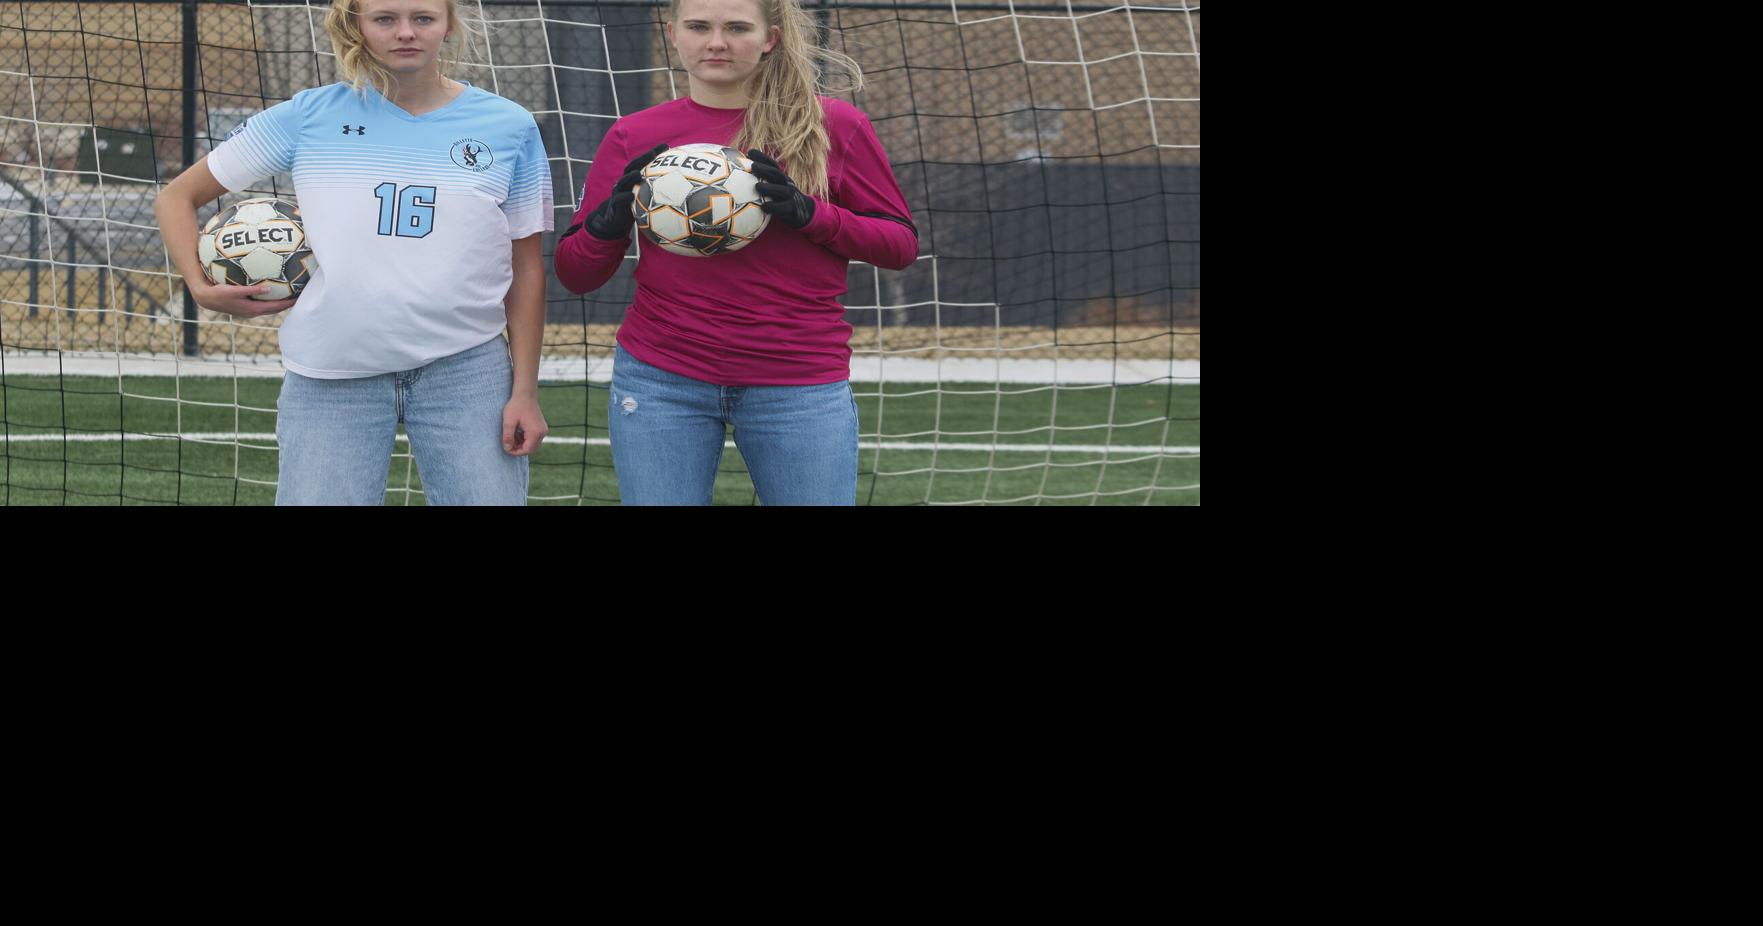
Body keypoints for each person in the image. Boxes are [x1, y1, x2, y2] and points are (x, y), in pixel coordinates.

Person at [153, 0, 551, 505]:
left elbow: (526, 265)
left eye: (423, 18)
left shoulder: (509, 126)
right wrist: (199, 286)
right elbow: (175, 197)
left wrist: (524, 391)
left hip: (467, 370)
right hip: (332, 371)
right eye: (385, 19)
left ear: (448, 24)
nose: (405, 32)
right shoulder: (308, 116)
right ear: (356, 25)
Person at [554, 0, 917, 506]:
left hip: (797, 379)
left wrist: (810, 214)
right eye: (699, 27)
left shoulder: (832, 124)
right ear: (673, 34)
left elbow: (900, 244)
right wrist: (605, 225)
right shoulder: (634, 135)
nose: (716, 42)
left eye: (737, 28)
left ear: (769, 37)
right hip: (662, 377)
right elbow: (575, 273)